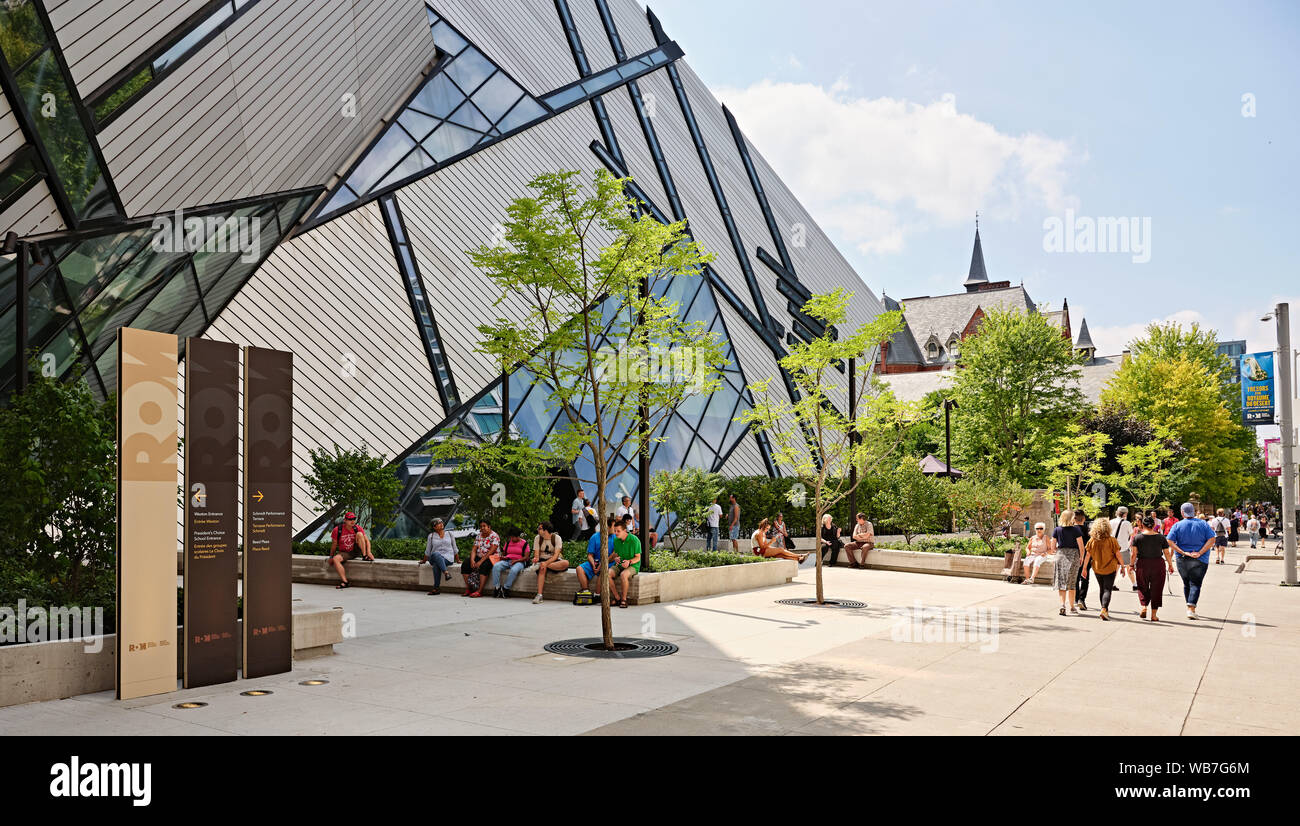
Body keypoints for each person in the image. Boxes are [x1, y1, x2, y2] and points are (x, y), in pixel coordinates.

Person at [1167, 502, 1215, 620]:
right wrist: (1200, 552)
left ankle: (1189, 606)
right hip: (1200, 559)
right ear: (1193, 511)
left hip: (1182, 558)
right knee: (1195, 584)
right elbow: (1212, 539)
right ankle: (1191, 608)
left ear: (1182, 512)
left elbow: (1169, 541)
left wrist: (1182, 552)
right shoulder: (1203, 524)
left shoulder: (1177, 525)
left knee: (1186, 583)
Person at [1132, 515, 1174, 621]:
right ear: (1154, 525)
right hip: (1158, 564)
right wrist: (1170, 565)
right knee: (1157, 589)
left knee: (1142, 586)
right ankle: (1154, 615)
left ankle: (1144, 607)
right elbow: (1167, 553)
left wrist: (1131, 565)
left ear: (1143, 525)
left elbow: (1134, 554)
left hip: (1142, 564)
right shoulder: (1161, 537)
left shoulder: (1138, 537)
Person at [1085, 517, 1123, 621]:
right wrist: (1123, 566)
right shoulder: (1112, 540)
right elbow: (1118, 554)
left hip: (1097, 568)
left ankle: (1104, 609)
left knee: (1102, 588)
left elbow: (1087, 556)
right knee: (1108, 589)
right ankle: (1104, 609)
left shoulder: (1092, 540)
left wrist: (1084, 568)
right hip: (1110, 568)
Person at [1051, 509, 1085, 616]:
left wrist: (1058, 552)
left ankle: (1062, 605)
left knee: (1061, 582)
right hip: (1073, 555)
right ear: (1071, 518)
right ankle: (1072, 607)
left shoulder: (1057, 530)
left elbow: (1052, 547)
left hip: (1061, 555)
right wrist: (1082, 557)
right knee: (1072, 582)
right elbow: (1081, 547)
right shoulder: (1076, 530)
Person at [328, 511, 374, 589]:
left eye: (354, 519)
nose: (352, 521)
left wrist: (369, 552)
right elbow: (334, 545)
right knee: (336, 559)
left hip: (356, 550)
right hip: (345, 553)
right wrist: (331, 557)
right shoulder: (337, 530)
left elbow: (367, 541)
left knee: (359, 534)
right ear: (345, 520)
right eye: (350, 519)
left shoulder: (357, 528)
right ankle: (345, 582)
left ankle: (364, 556)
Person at [576, 516, 619, 597]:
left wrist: (601, 565)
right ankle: (586, 591)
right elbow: (590, 555)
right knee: (579, 569)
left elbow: (614, 555)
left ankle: (597, 595)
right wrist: (593, 565)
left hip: (609, 563)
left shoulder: (616, 538)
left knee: (603, 571)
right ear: (607, 526)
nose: (615, 528)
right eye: (614, 526)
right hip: (596, 562)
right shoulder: (594, 537)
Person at [530, 521, 567, 604]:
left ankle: (541, 565)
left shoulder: (557, 538)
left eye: (539, 528)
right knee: (542, 568)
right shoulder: (537, 538)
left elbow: (556, 556)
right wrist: (535, 559)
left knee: (566, 563)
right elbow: (536, 555)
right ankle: (539, 595)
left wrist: (546, 563)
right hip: (542, 560)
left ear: (545, 530)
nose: (538, 530)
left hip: (553, 561)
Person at [419, 517, 457, 595]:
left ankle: (436, 588)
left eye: (441, 522)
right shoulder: (431, 536)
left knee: (436, 565)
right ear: (434, 527)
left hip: (448, 558)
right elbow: (428, 551)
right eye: (438, 523)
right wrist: (424, 561)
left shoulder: (450, 534)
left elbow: (455, 548)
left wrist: (458, 560)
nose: (441, 524)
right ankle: (446, 573)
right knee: (436, 554)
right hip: (434, 557)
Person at [609, 519, 642, 609]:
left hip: (633, 565)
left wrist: (629, 562)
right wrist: (615, 558)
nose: (616, 533)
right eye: (615, 531)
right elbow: (616, 553)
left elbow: (638, 557)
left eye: (618, 531)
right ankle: (617, 597)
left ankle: (624, 600)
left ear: (625, 530)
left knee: (624, 575)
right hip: (620, 565)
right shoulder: (616, 540)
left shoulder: (634, 540)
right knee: (607, 574)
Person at [489, 526, 530, 598]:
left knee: (514, 570)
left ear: (517, 536)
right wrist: (503, 557)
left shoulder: (524, 543)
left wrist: (516, 560)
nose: (511, 539)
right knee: (496, 566)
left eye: (513, 537)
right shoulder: (508, 543)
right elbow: (505, 553)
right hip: (508, 560)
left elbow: (526, 557)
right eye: (510, 537)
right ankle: (497, 588)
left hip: (520, 562)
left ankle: (505, 588)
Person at [462, 520, 499, 598]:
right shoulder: (478, 536)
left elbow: (491, 552)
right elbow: (474, 549)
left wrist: (480, 562)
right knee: (465, 563)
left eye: (484, 526)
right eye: (481, 526)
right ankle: (469, 589)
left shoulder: (494, 536)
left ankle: (479, 591)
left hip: (491, 557)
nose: (482, 528)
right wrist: (472, 560)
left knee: (484, 566)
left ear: (489, 527)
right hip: (479, 556)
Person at [1070, 510, 1092, 610]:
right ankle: (1081, 599)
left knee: (1075, 578)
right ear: (1084, 518)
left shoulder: (1070, 529)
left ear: (1074, 518)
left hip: (1074, 556)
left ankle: (1076, 598)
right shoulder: (1089, 530)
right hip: (1087, 556)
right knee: (1085, 578)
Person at [1109, 507, 1133, 587]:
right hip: (1123, 548)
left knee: (1115, 567)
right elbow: (1131, 534)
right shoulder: (1127, 523)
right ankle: (1135, 584)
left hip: (1112, 548)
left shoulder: (1110, 522)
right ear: (1125, 514)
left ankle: (1112, 584)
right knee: (1129, 566)